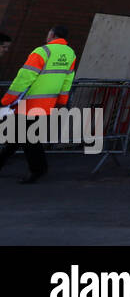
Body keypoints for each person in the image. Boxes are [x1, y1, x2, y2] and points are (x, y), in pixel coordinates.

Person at [0, 26, 77, 183]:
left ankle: (39, 169)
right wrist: (61, 102)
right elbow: (67, 80)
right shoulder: (70, 54)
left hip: (29, 103)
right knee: (17, 136)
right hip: (47, 104)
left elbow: (24, 78)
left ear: (52, 34)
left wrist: (6, 100)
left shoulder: (42, 51)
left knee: (27, 139)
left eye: (48, 33)